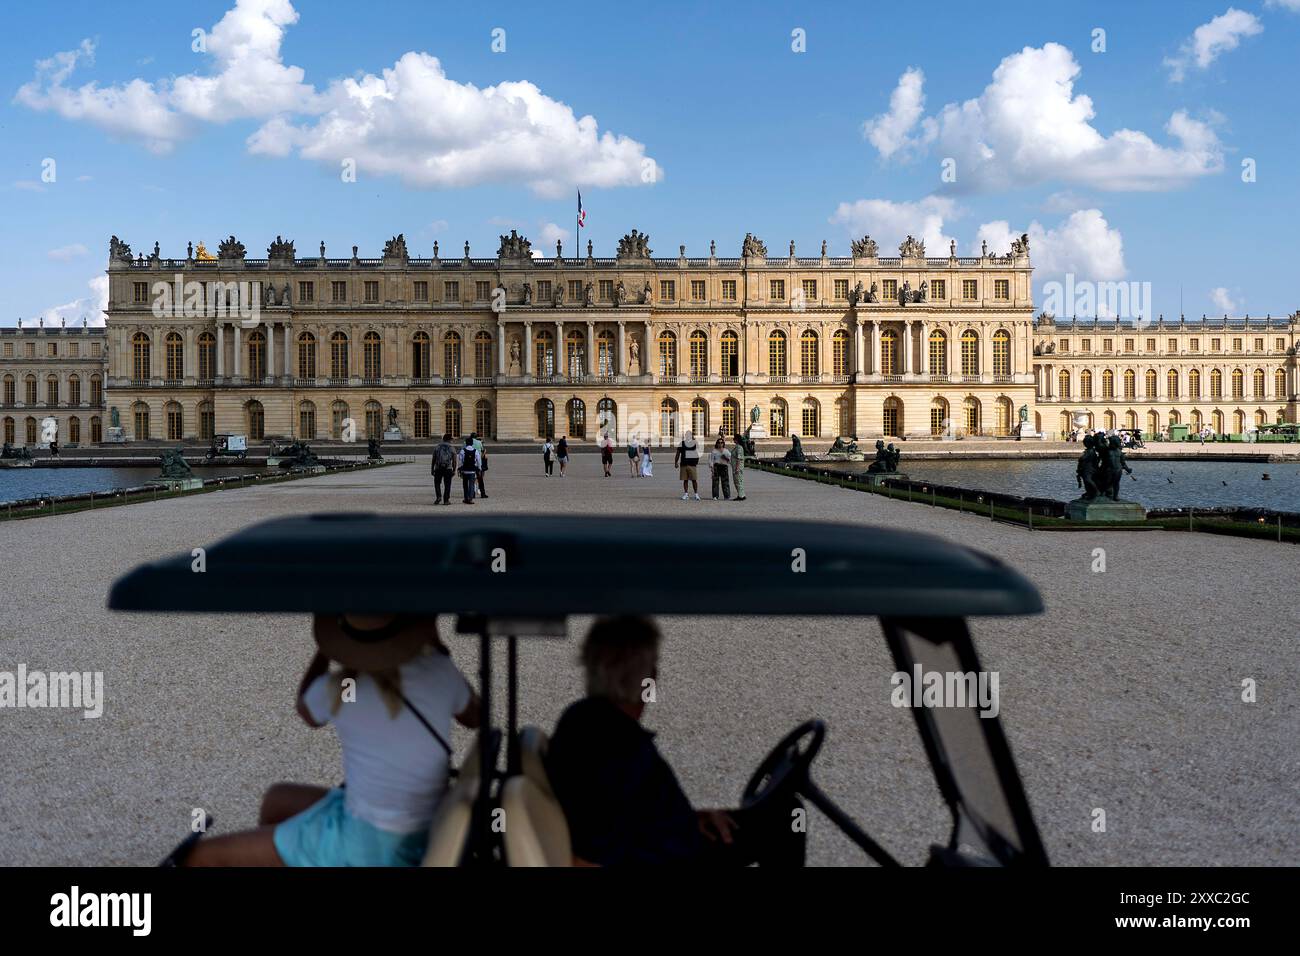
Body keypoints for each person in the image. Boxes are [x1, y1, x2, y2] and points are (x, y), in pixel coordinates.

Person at [184, 614, 480, 866]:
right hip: (422, 827)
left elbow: (306, 711)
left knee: (201, 856)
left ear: (344, 638)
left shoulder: (339, 690)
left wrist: (325, 649)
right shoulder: (440, 672)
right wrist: (438, 648)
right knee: (277, 798)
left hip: (367, 845)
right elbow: (474, 717)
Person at [545, 616, 804, 866]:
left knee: (780, 814)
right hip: (674, 857)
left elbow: (631, 814)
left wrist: (688, 820)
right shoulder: (618, 753)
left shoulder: (581, 719)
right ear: (648, 682)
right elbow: (593, 852)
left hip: (673, 842)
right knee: (788, 817)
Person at [674, 430, 701, 500]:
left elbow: (698, 453)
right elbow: (678, 454)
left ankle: (696, 494)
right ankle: (686, 494)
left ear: (691, 436)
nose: (688, 436)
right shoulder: (682, 443)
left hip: (692, 464)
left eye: (689, 435)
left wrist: (696, 462)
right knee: (685, 480)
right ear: (685, 436)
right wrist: (675, 462)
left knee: (694, 480)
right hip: (684, 464)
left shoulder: (695, 443)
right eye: (687, 435)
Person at [430, 432, 456, 505]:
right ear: (449, 440)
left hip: (438, 468)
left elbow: (433, 459)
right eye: (451, 439)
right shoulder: (452, 448)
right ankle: (446, 500)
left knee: (437, 483)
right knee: (447, 484)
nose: (452, 441)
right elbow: (454, 460)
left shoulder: (437, 447)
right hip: (448, 468)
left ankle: (438, 496)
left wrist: (432, 469)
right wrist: (454, 470)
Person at [459, 436, 481, 504]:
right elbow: (479, 461)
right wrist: (479, 469)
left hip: (465, 470)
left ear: (466, 443)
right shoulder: (475, 451)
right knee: (471, 485)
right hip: (472, 470)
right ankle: (470, 499)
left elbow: (460, 460)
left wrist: (460, 469)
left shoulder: (463, 450)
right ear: (472, 443)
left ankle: (466, 498)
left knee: (465, 485)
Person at [471, 432, 489, 499]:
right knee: (480, 480)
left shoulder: (466, 442)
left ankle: (472, 494)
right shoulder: (479, 443)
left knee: (472, 479)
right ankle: (482, 494)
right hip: (478, 463)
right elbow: (482, 451)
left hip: (470, 463)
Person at [730, 433, 747, 501]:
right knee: (738, 481)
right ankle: (742, 494)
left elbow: (739, 458)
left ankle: (741, 496)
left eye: (734, 438)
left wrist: (737, 468)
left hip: (738, 468)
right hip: (736, 467)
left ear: (737, 440)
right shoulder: (737, 447)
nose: (733, 439)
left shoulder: (739, 447)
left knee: (738, 481)